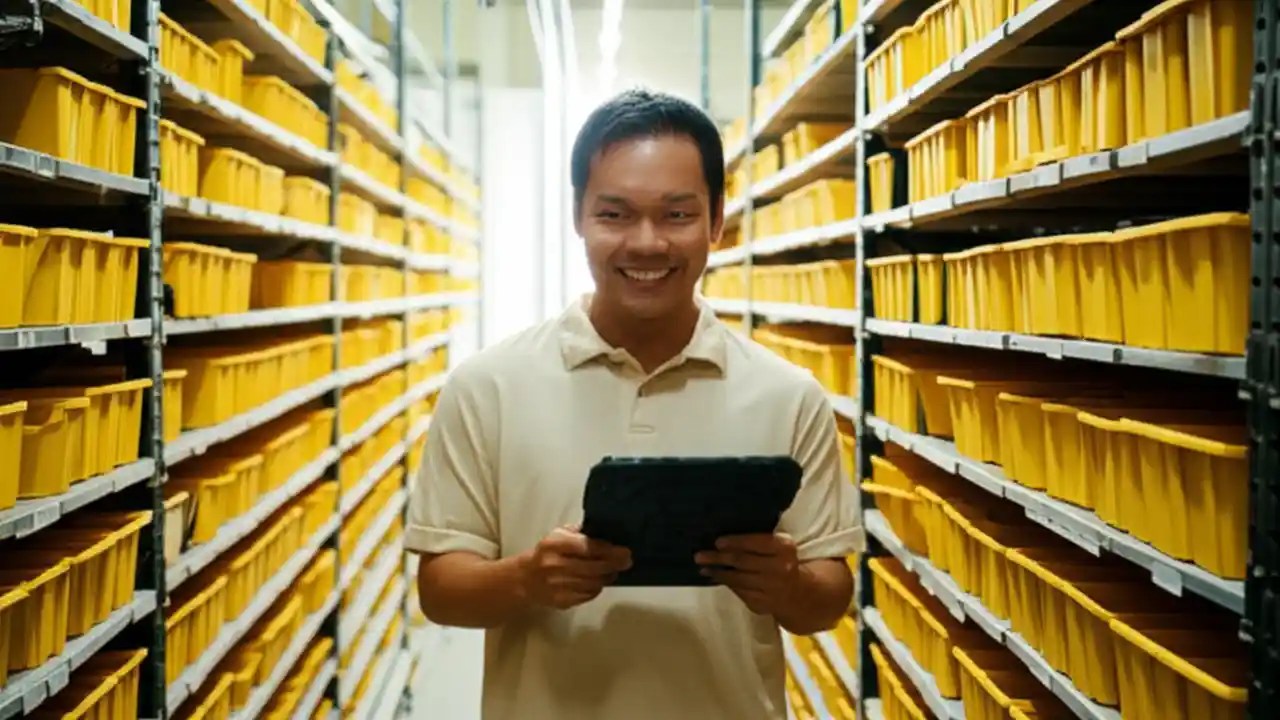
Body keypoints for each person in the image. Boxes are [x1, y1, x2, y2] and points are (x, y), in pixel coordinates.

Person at [407, 88, 863, 720]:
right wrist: (526, 579)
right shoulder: (487, 386)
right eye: (614, 214)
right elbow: (440, 590)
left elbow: (829, 597)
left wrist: (787, 585)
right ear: (577, 217)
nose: (646, 244)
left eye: (677, 215)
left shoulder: (788, 396)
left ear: (717, 221)